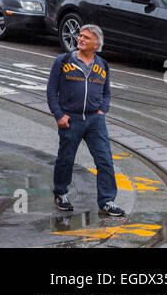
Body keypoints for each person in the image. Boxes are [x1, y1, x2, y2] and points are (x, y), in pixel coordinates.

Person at [46, 24, 124, 216]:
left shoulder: (103, 65)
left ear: (96, 44)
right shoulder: (63, 61)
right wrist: (59, 115)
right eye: (80, 36)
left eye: (86, 38)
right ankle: (61, 193)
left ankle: (107, 201)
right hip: (70, 119)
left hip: (95, 121)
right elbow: (51, 91)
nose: (80, 39)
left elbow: (106, 92)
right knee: (66, 159)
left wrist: (102, 111)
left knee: (105, 160)